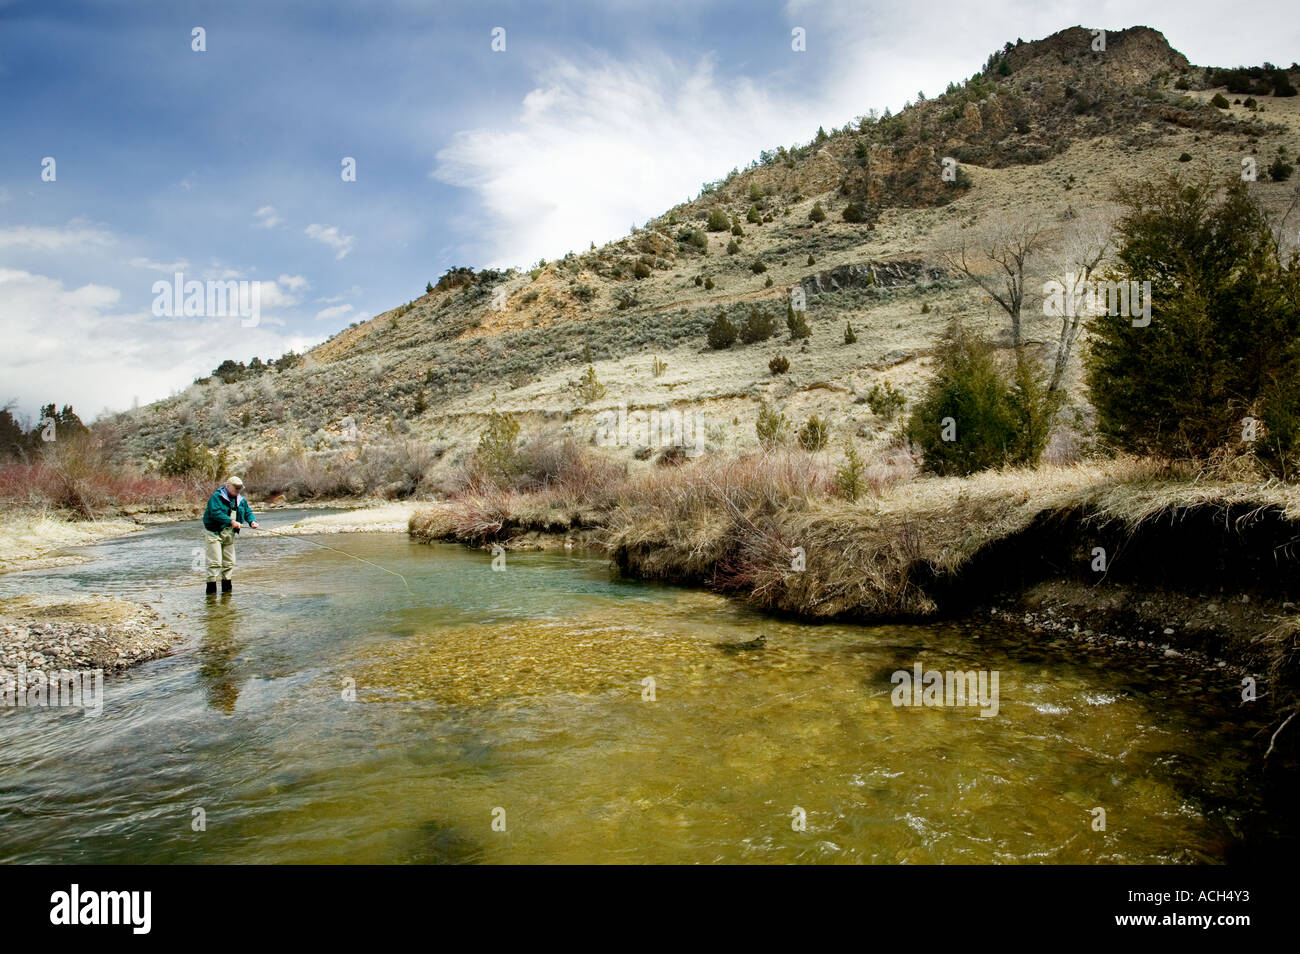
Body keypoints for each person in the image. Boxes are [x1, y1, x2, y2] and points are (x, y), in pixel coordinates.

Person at [202, 476, 258, 595]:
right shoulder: (216, 497)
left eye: (239, 488)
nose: (238, 491)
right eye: (236, 488)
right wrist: (231, 521)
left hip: (229, 533)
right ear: (227, 486)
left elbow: (247, 511)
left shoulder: (241, 500)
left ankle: (226, 595)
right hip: (214, 532)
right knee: (215, 563)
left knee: (229, 563)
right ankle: (211, 596)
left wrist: (252, 521)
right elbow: (215, 513)